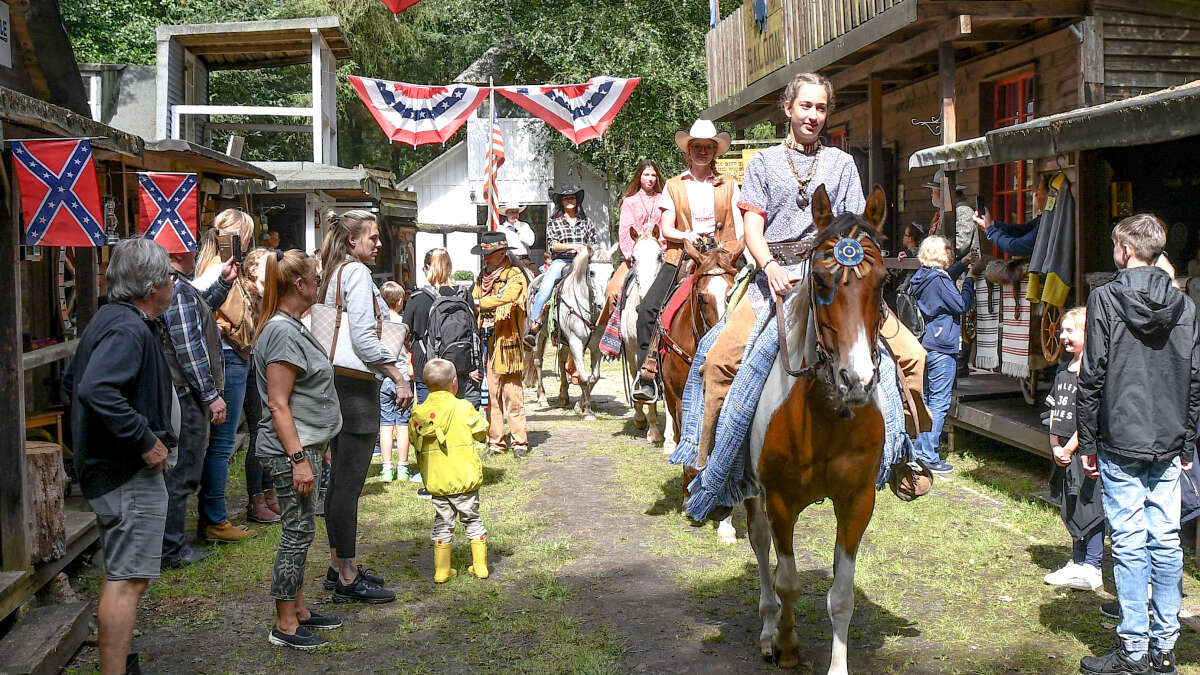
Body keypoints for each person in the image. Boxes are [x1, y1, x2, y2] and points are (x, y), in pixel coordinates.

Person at [677, 73, 928, 485]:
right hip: (772, 279)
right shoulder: (762, 163)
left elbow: (853, 227)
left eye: (822, 108)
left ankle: (900, 453)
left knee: (913, 356)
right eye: (806, 106)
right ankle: (714, 464)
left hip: (835, 280)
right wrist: (769, 267)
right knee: (719, 360)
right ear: (789, 108)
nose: (813, 115)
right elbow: (753, 229)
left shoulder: (842, 164)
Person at [1077, 213, 1200, 675]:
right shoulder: (1185, 306)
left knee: (1129, 542)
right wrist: (1188, 442)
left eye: (1115, 247)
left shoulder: (1105, 298)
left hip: (1122, 437)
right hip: (1167, 438)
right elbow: (1194, 377)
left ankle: (1135, 649)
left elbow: (1092, 373)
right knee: (1166, 541)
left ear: (1126, 251)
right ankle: (1164, 648)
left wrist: (1086, 439)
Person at [63, 239, 174, 675]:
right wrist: (143, 439)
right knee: (127, 579)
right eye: (168, 277)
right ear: (151, 285)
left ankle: (120, 662)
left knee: (123, 574)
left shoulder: (108, 319)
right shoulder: (126, 327)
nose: (171, 285)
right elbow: (94, 389)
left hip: (112, 469)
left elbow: (73, 383)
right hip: (126, 473)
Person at [318, 209, 411, 604]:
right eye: (372, 237)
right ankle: (347, 577)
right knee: (348, 482)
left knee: (340, 478)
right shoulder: (354, 273)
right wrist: (397, 374)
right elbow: (363, 339)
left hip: (338, 382)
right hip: (355, 387)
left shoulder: (334, 270)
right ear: (352, 240)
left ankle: (339, 564)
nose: (378, 243)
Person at [253, 249, 344, 649]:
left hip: (306, 446)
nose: (320, 285)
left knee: (303, 531)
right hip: (291, 451)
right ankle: (285, 624)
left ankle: (301, 610)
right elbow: (278, 402)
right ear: (300, 285)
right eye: (317, 279)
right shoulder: (282, 332)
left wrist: (318, 445)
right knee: (296, 533)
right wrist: (297, 461)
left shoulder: (293, 325)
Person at [631, 121, 744, 403]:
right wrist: (686, 234)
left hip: (723, 256)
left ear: (715, 152)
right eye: (697, 147)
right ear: (688, 151)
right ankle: (650, 374)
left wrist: (738, 252)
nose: (702, 152)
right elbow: (666, 228)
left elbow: (740, 227)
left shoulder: (729, 185)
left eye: (708, 147)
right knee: (647, 309)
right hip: (682, 254)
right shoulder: (673, 185)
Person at [159, 225, 243, 565]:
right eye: (190, 246)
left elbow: (199, 313)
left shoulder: (180, 289)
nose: (196, 251)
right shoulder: (176, 288)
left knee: (186, 468)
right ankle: (172, 548)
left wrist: (222, 282)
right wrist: (210, 394)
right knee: (182, 472)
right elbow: (188, 346)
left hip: (185, 390)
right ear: (179, 253)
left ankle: (173, 544)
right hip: (184, 392)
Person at [194, 209, 264, 540]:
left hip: (234, 356)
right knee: (222, 444)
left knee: (221, 443)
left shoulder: (215, 268)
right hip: (228, 357)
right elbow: (203, 311)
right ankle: (215, 520)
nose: (248, 242)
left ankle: (213, 516)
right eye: (246, 235)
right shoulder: (216, 272)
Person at [409, 359, 490, 583]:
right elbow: (482, 430)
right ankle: (480, 566)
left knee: (443, 523)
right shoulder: (463, 407)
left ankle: (442, 571)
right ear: (454, 383)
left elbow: (413, 440)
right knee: (472, 520)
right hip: (464, 479)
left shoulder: (419, 413)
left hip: (437, 482)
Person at [1042, 306, 1105, 592]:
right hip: (1063, 452)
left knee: (1090, 505)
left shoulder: (1091, 373)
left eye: (1071, 331)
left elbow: (1090, 416)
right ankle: (1076, 561)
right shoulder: (1063, 371)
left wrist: (1069, 447)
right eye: (1062, 330)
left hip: (1083, 451)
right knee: (1070, 503)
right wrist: (1055, 444)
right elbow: (1054, 411)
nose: (1063, 336)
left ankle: (1092, 564)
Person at [908, 236, 976, 474]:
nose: (951, 254)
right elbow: (960, 305)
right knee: (939, 401)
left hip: (926, 343)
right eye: (949, 251)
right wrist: (969, 280)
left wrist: (963, 264)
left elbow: (943, 285)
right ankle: (928, 456)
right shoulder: (938, 279)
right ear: (941, 254)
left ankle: (918, 450)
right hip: (942, 345)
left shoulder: (923, 276)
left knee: (926, 398)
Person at [403, 248, 483, 412]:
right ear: (450, 267)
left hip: (429, 368)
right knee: (463, 421)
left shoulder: (418, 298)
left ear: (427, 267)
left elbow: (406, 332)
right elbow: (474, 332)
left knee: (434, 422)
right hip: (463, 368)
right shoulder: (464, 296)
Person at [472, 231, 529, 457]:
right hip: (487, 340)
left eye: (491, 254)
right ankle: (496, 442)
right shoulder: (481, 277)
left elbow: (507, 298)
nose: (485, 258)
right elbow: (478, 298)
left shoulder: (515, 276)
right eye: (485, 254)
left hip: (508, 341)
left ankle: (519, 442)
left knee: (512, 394)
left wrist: (477, 303)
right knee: (492, 394)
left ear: (503, 253)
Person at [524, 184, 599, 347]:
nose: (570, 200)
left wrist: (585, 250)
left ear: (577, 200)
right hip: (562, 261)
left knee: (601, 284)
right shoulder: (554, 222)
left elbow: (594, 243)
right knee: (545, 287)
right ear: (562, 202)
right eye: (566, 198)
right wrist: (574, 246)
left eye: (572, 197)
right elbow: (552, 246)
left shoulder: (587, 222)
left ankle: (604, 324)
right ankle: (534, 325)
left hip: (584, 262)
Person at [239, 247, 282, 524]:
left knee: (268, 428)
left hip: (262, 365)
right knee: (258, 431)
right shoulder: (244, 294)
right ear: (254, 270)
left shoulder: (268, 296)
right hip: (249, 366)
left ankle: (268, 493)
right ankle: (256, 499)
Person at [605, 160, 665, 322]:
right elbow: (625, 232)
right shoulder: (629, 201)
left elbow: (667, 227)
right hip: (636, 256)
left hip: (660, 254)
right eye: (646, 174)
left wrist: (662, 249)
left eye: (653, 175)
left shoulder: (664, 199)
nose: (650, 178)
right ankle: (616, 336)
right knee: (612, 290)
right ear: (639, 177)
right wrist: (634, 256)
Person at [378, 281, 416, 483]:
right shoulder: (403, 324)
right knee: (402, 424)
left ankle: (386, 468)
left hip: (384, 378)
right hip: (402, 377)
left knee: (385, 424)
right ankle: (402, 467)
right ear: (400, 301)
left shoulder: (378, 324)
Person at [973, 175, 1049, 257]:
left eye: (1040, 190)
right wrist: (991, 224)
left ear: (1050, 197)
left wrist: (989, 229)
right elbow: (1023, 230)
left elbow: (1014, 247)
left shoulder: (1050, 221)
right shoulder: (1045, 218)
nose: (1036, 195)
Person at [925, 168, 978, 259]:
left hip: (962, 271)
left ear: (943, 193)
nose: (932, 195)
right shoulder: (949, 212)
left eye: (933, 191)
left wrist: (932, 255)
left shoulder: (964, 211)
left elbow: (960, 245)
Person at [497, 203, 536, 268]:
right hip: (508, 262)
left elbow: (530, 242)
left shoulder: (524, 226)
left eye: (516, 212)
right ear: (506, 214)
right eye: (512, 212)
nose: (515, 215)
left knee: (538, 276)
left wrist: (519, 230)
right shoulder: (501, 229)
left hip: (524, 261)